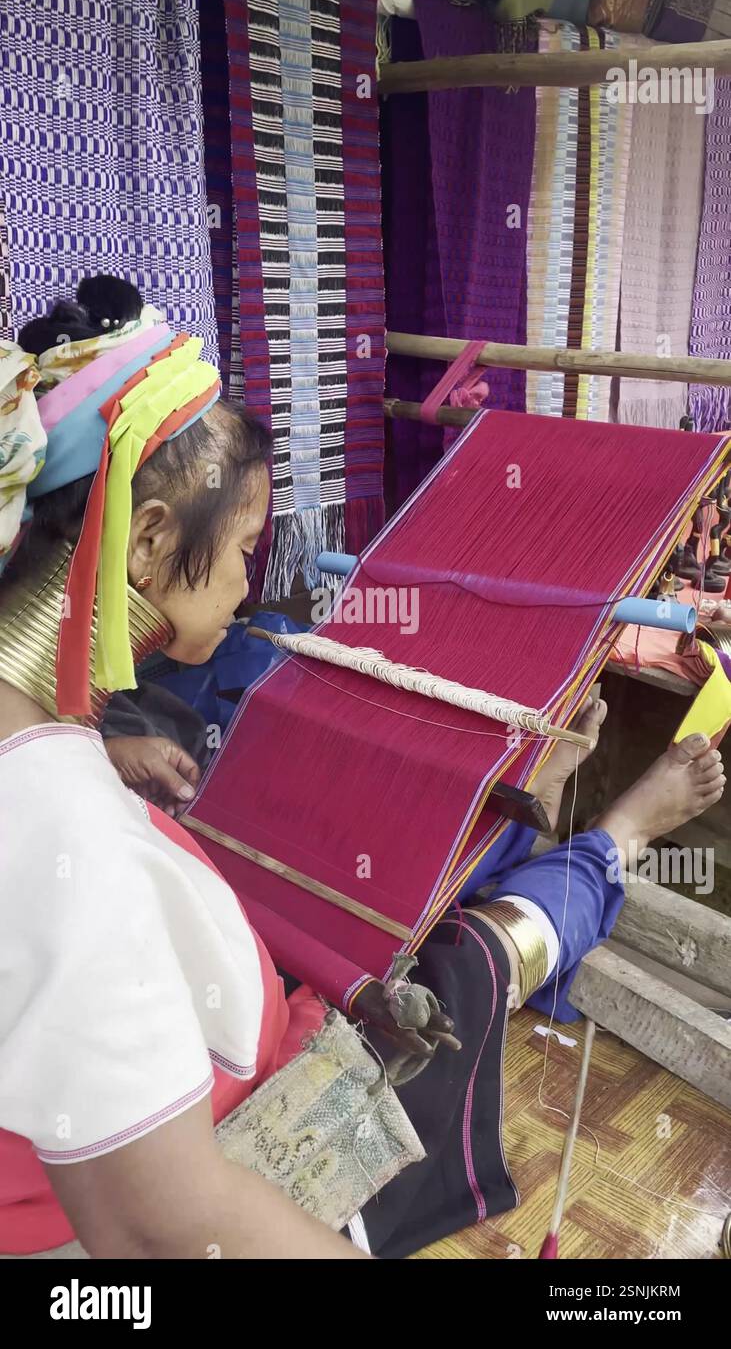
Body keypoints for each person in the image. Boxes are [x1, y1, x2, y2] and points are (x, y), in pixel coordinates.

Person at [0, 278, 724, 1260]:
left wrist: (107, 757)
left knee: (399, 927)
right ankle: (614, 838)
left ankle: (548, 818)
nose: (251, 577)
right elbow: (164, 1223)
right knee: (455, 969)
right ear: (154, 538)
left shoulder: (45, 757)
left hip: (152, 1073)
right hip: (213, 1146)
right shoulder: (58, 825)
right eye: (247, 544)